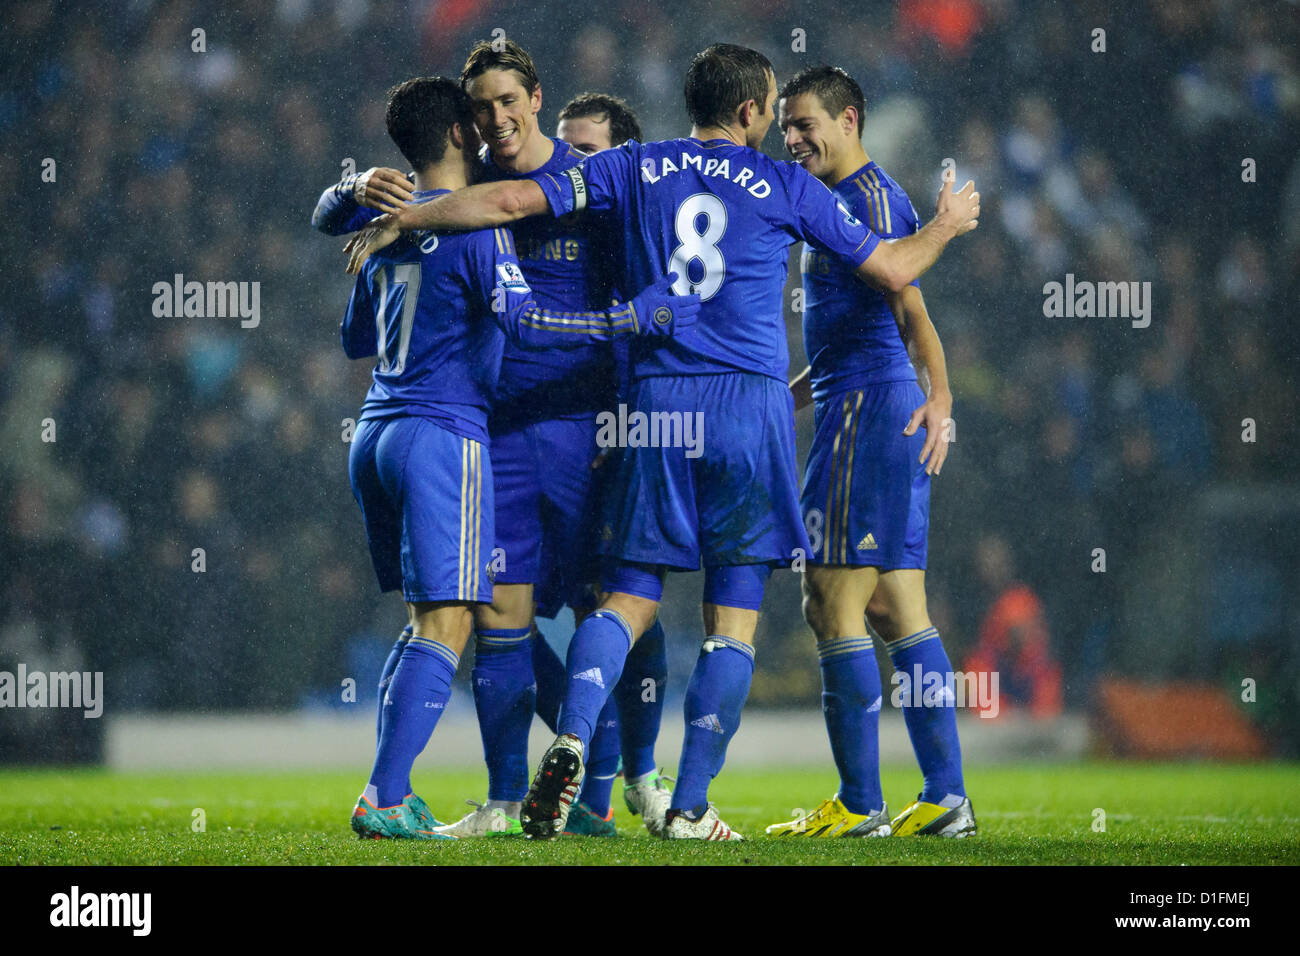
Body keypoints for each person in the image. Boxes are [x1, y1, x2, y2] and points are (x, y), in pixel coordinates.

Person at [344, 42, 980, 841]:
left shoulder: (633, 166)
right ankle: (689, 805)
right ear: (751, 112)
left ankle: (573, 737)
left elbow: (506, 204)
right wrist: (950, 225)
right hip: (749, 409)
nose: (784, 135)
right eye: (775, 116)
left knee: (627, 597)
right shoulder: (785, 183)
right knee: (734, 616)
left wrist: (409, 216)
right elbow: (893, 269)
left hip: (652, 406)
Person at [316, 45, 675, 839]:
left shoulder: (597, 191)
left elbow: (357, 333)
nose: (496, 119)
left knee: (608, 608)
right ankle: (508, 795)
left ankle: (616, 782)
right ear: (465, 121)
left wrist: (629, 406)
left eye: (508, 100)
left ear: (535, 97)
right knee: (487, 618)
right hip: (479, 434)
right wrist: (352, 193)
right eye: (481, 107)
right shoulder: (472, 203)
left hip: (574, 429)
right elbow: (523, 318)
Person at [765, 66, 975, 839]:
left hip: (865, 414)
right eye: (785, 127)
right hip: (863, 403)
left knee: (829, 598)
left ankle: (859, 803)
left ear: (849, 119)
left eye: (804, 123)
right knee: (894, 608)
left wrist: (942, 396)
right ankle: (947, 797)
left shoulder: (873, 200)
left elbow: (910, 307)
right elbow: (869, 326)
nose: (792, 139)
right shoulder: (838, 200)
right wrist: (784, 396)